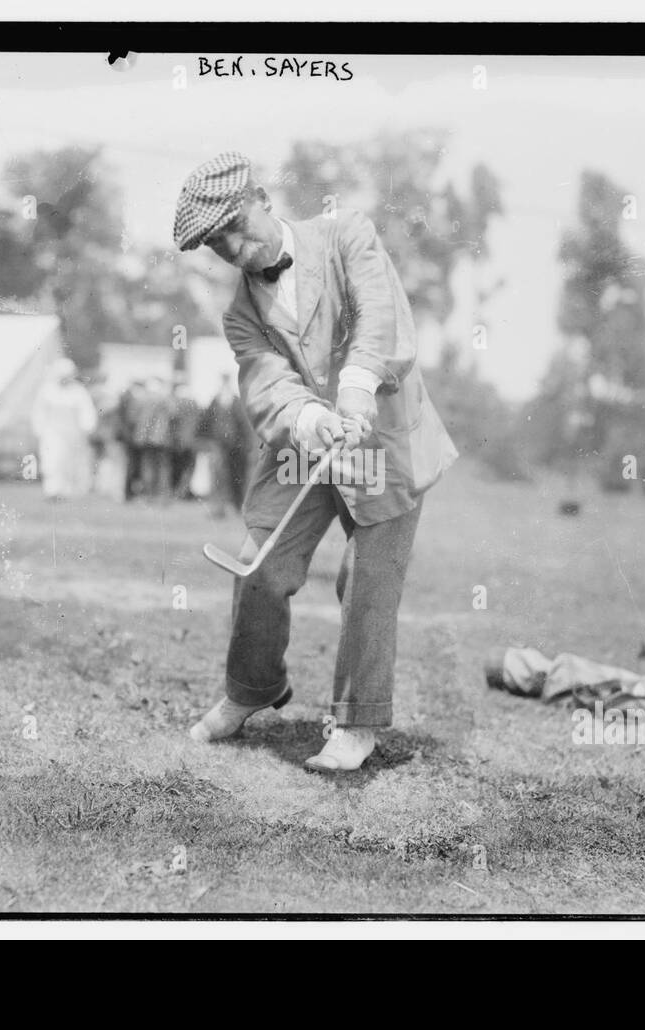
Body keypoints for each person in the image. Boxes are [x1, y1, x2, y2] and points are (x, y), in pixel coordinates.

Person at [173, 151, 458, 771]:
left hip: (380, 441)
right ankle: (251, 689)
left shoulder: (346, 233)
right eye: (215, 242)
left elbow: (381, 316)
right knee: (257, 565)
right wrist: (309, 418)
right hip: (307, 445)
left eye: (235, 224)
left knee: (367, 581)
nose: (232, 245)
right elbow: (267, 386)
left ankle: (356, 724)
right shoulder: (240, 315)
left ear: (264, 200)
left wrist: (354, 387)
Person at [30, 357, 97, 499]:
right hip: (52, 432)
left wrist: (87, 426)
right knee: (51, 460)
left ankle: (66, 490)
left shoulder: (78, 391)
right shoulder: (47, 390)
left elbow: (86, 411)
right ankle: (52, 490)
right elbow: (39, 411)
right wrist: (39, 429)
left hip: (73, 432)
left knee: (69, 462)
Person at [197, 372, 253, 518]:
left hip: (236, 447)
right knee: (218, 478)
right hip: (218, 446)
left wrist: (246, 445)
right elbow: (205, 423)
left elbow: (244, 425)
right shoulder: (216, 401)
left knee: (237, 479)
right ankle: (218, 509)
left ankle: (238, 507)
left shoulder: (236, 401)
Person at [134, 376, 175, 503]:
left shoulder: (143, 400)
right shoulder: (164, 399)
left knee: (148, 466)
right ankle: (162, 495)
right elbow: (174, 413)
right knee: (163, 467)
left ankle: (149, 495)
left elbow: (136, 417)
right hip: (160, 439)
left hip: (146, 439)